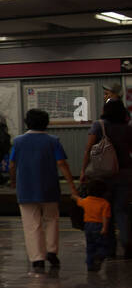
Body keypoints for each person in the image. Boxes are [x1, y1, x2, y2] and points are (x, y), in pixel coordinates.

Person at [9, 109, 75, 272]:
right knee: (51, 219)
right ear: (46, 123)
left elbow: (12, 164)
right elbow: (61, 163)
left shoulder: (18, 141)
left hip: (26, 188)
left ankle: (37, 258)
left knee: (32, 224)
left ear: (27, 122)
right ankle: (52, 251)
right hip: (49, 187)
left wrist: (13, 181)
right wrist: (72, 185)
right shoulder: (53, 141)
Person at [79, 97, 132, 258]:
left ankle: (110, 249)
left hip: (102, 175)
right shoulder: (128, 128)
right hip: (125, 173)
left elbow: (88, 149)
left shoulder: (98, 125)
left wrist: (83, 171)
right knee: (122, 211)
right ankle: (127, 243)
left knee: (105, 210)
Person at [75, 179, 113, 271]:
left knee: (90, 246)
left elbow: (79, 201)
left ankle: (90, 265)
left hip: (88, 226)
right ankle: (99, 255)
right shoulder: (105, 203)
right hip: (99, 225)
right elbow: (105, 217)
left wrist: (74, 196)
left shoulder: (87, 200)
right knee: (103, 245)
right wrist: (104, 227)